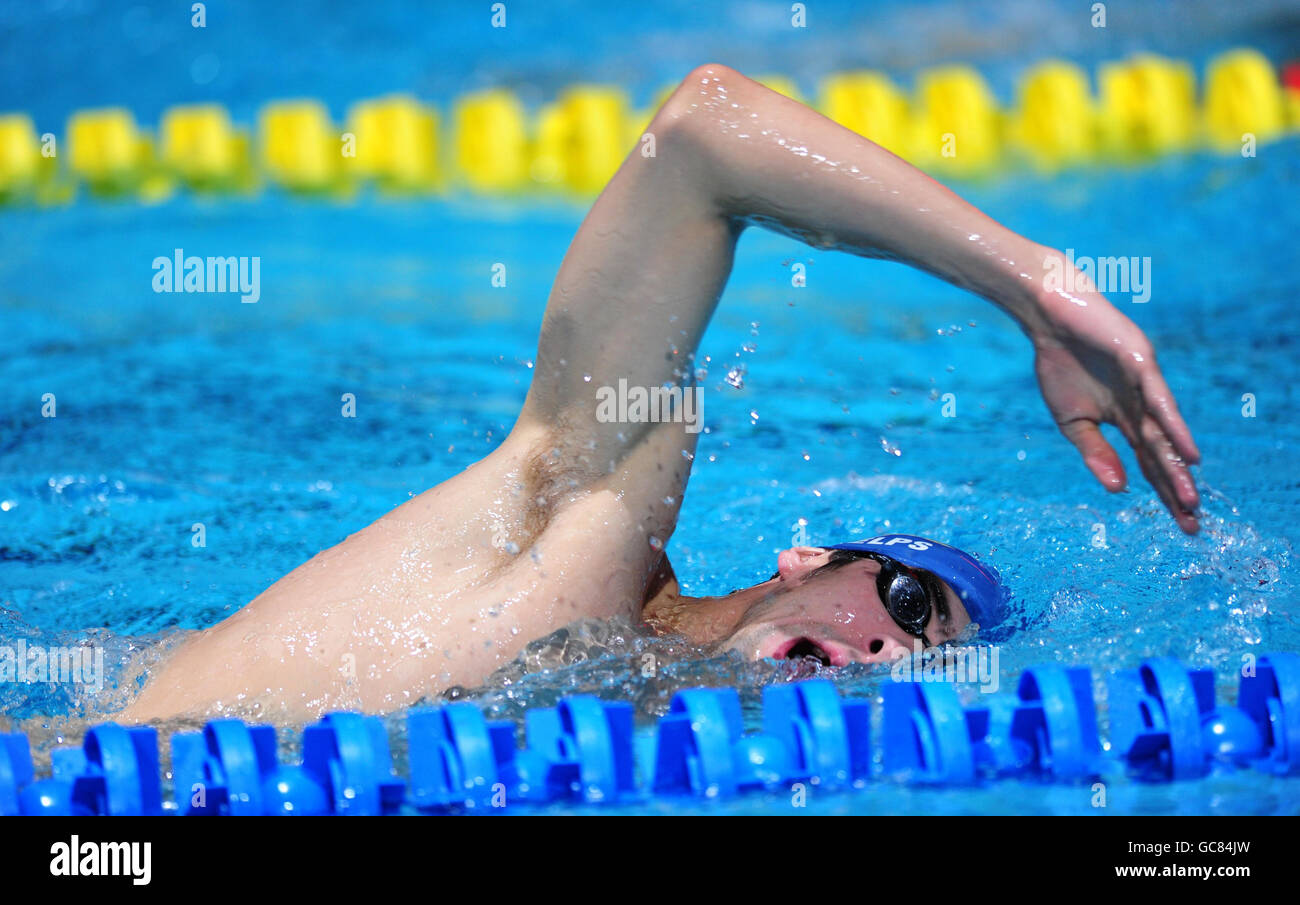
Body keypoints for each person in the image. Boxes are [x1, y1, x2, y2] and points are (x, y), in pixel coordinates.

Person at [119, 63, 1200, 724]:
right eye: (911, 607)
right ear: (808, 558)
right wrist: (1032, 286)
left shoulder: (631, 716)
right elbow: (704, 135)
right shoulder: (586, 517)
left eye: (930, 663)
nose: (892, 654)